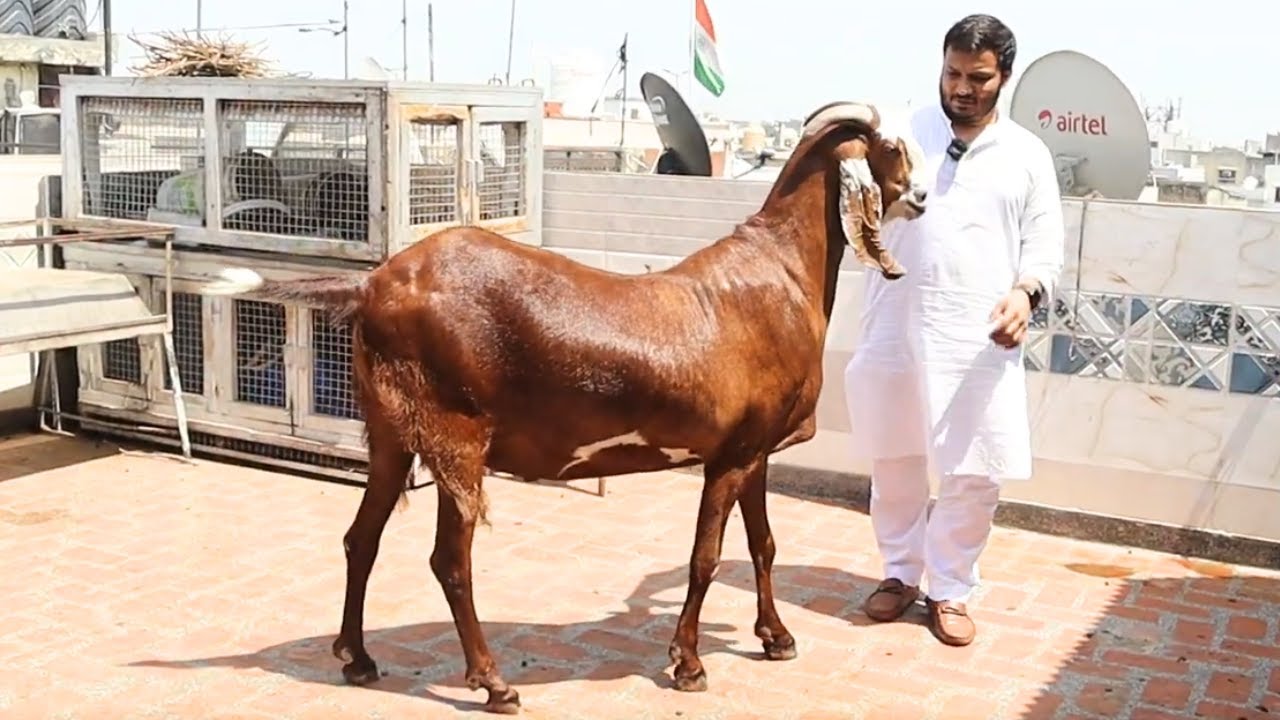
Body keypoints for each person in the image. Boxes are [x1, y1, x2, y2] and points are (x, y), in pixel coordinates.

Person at [842, 13, 1065, 647]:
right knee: (896, 459)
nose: (962, 88)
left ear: (1004, 78)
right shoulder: (900, 135)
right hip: (896, 323)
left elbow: (1044, 247)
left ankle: (951, 588)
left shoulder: (1027, 154)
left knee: (973, 470)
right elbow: (856, 211)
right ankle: (899, 574)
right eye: (952, 74)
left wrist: (1025, 294)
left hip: (978, 338)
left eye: (978, 77)